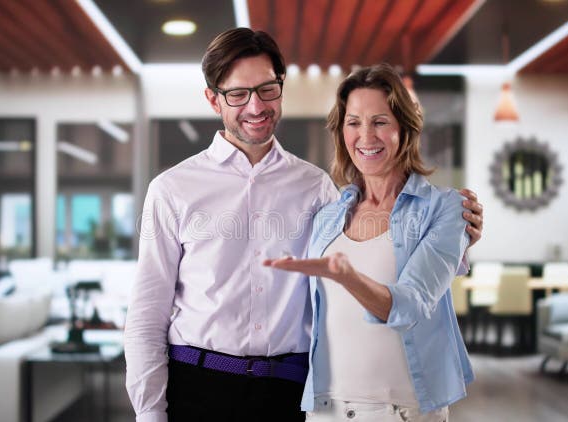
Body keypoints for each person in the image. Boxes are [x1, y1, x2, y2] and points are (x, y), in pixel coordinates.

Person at [124, 28, 483, 422]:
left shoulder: (317, 189)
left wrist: (453, 243)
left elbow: (366, 256)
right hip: (197, 388)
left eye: (266, 90)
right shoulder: (173, 189)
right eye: (238, 94)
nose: (256, 106)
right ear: (213, 99)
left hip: (291, 393)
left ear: (281, 87)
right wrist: (149, 412)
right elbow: (146, 314)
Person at [264, 64, 474, 422]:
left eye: (380, 122)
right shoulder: (329, 215)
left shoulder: (446, 208)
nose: (366, 136)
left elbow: (413, 304)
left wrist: (348, 277)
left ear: (405, 129)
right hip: (325, 408)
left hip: (403, 410)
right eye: (354, 123)